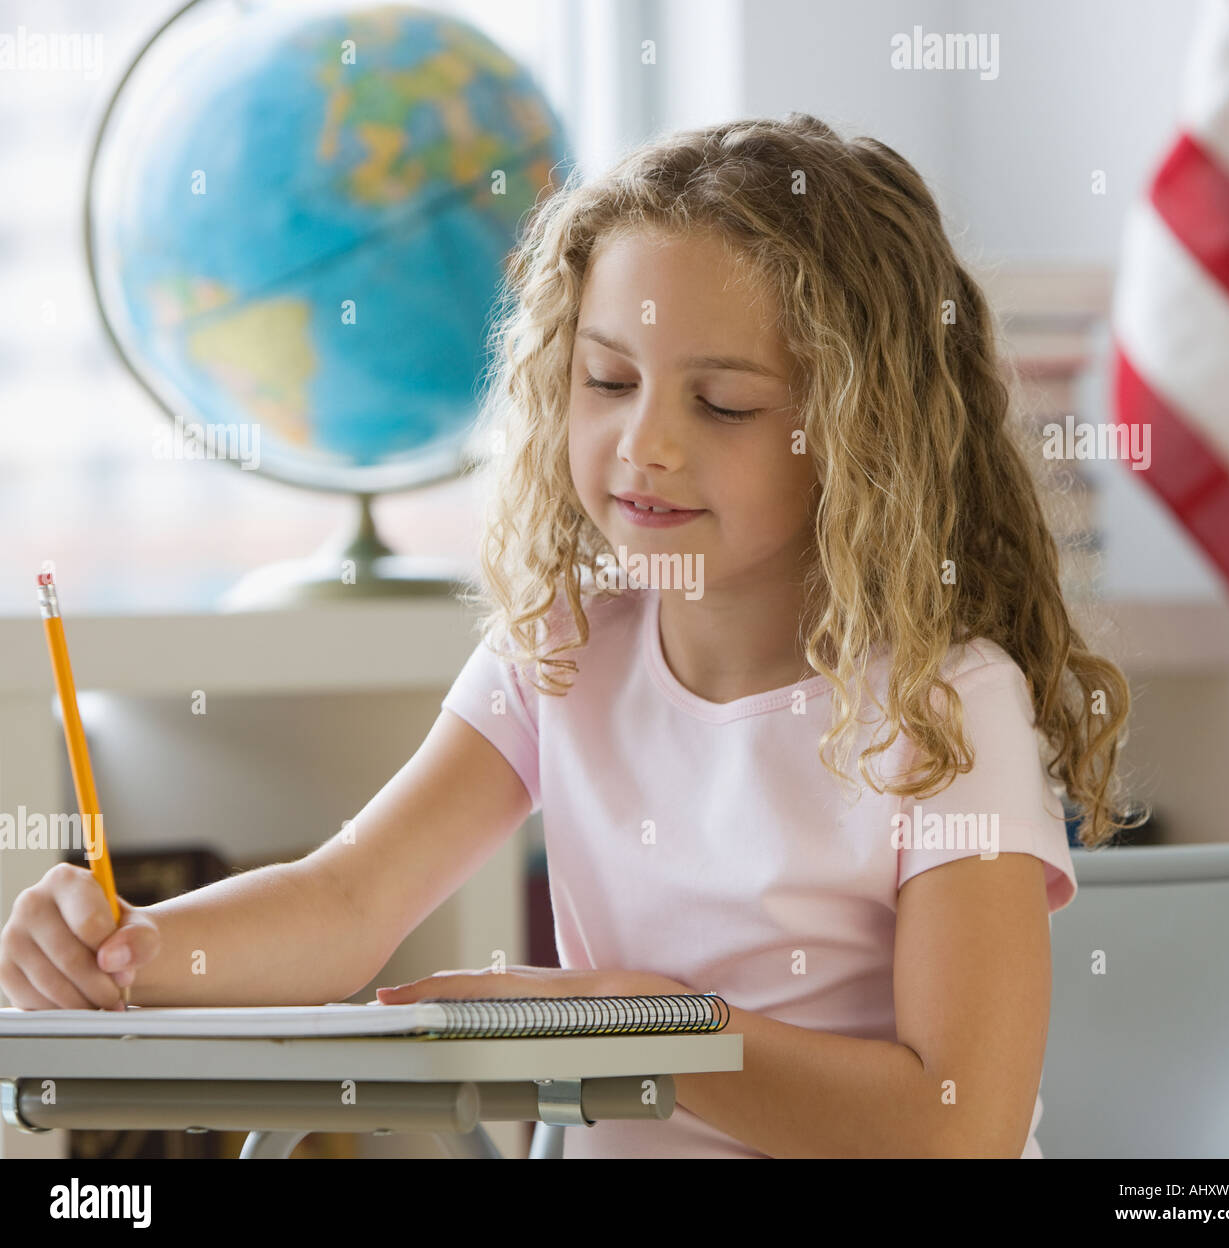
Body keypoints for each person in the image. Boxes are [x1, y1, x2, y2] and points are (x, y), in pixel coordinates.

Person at [0, 114, 1145, 1159]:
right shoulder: (561, 647)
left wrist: (624, 1027)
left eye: (724, 403)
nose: (641, 443)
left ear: (860, 432)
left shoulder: (946, 703)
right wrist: (133, 949)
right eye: (607, 380)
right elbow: (348, 901)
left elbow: (956, 1121)